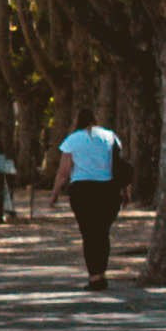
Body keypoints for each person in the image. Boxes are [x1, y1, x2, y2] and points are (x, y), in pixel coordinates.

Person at [49, 107, 128, 292]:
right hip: (108, 189)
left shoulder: (72, 140)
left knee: (89, 233)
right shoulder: (110, 136)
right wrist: (126, 190)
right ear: (95, 119)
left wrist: (54, 194)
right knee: (102, 233)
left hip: (82, 190)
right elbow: (120, 165)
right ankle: (102, 272)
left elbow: (64, 171)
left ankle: (95, 276)